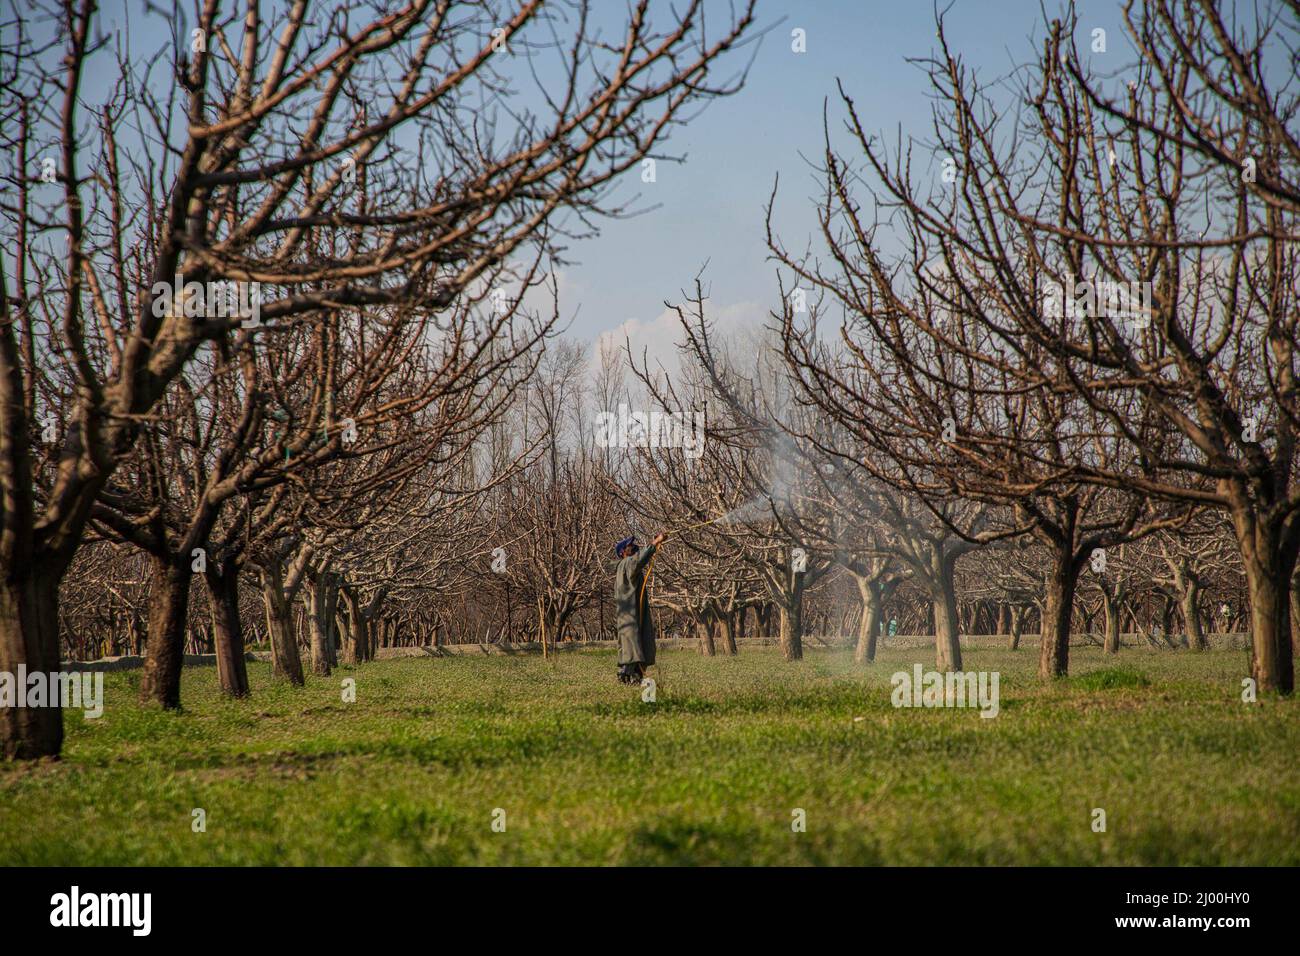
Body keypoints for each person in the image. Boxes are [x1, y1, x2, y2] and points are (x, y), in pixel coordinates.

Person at [610, 532, 665, 684]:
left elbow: (640, 558)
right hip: (630, 616)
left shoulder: (626, 565)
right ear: (623, 552)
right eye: (629, 546)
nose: (633, 547)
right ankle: (626, 675)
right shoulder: (627, 563)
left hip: (632, 613)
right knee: (631, 645)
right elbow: (639, 559)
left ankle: (635, 676)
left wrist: (653, 544)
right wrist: (655, 543)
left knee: (638, 643)